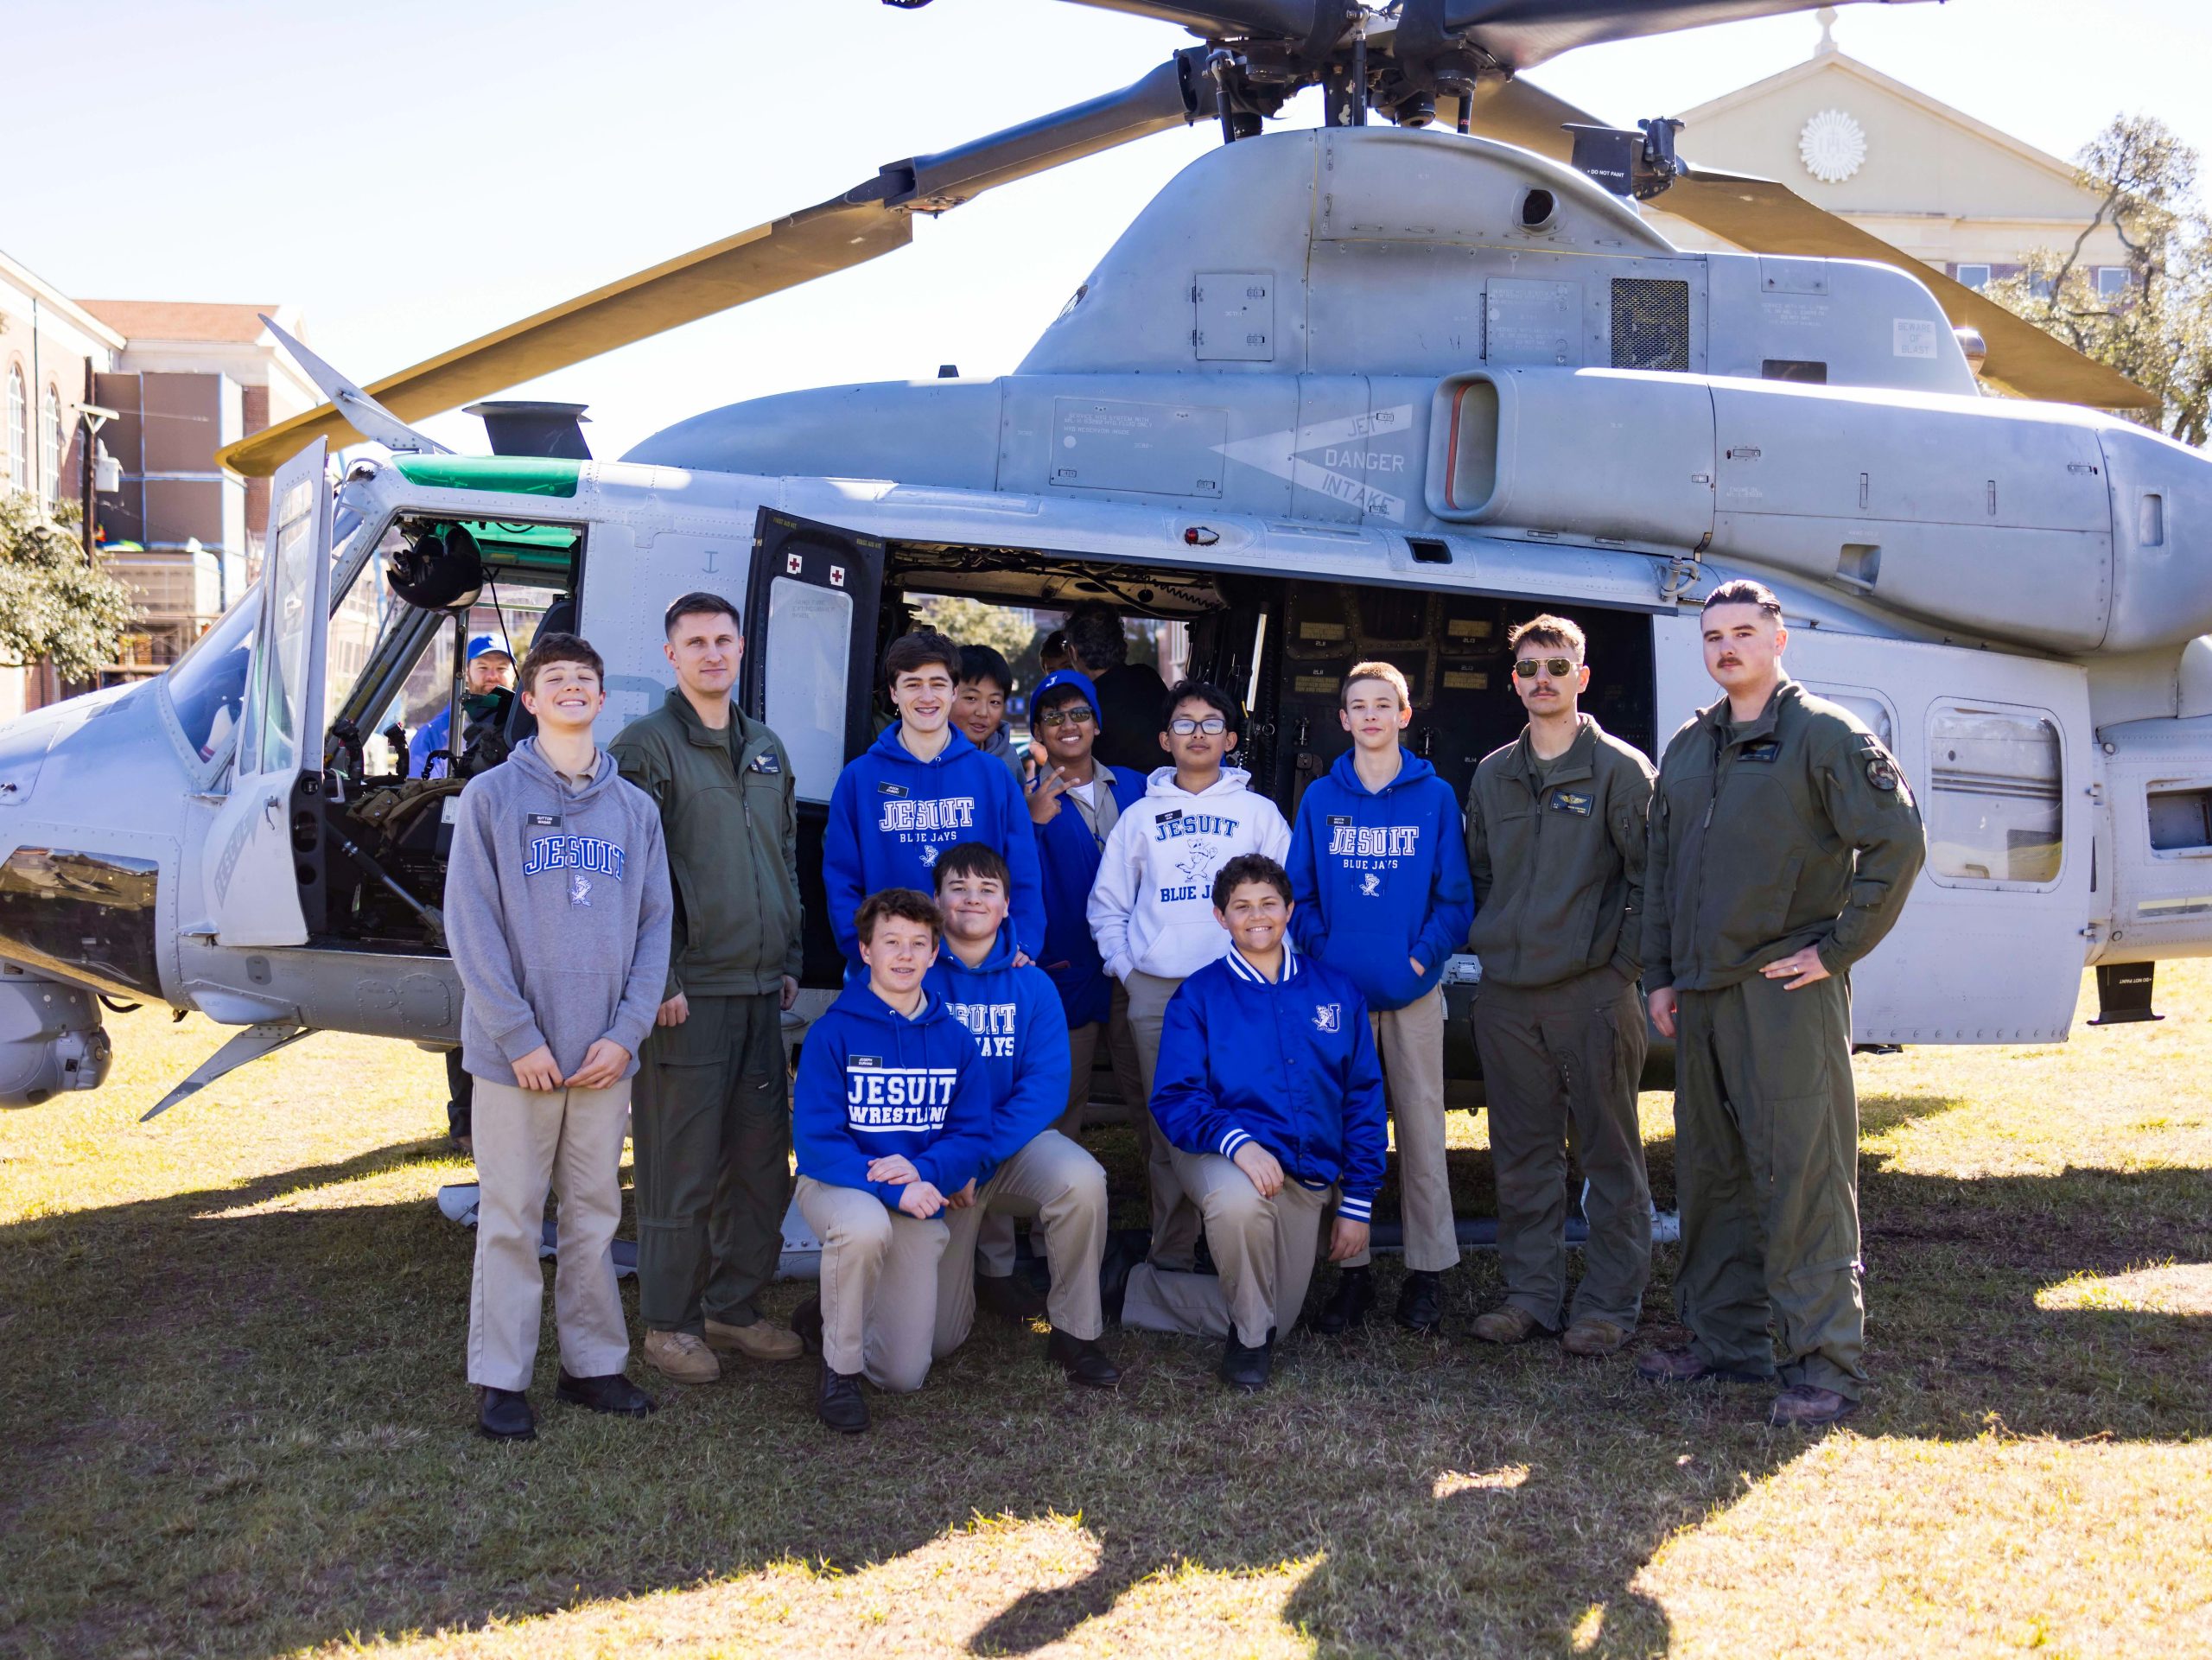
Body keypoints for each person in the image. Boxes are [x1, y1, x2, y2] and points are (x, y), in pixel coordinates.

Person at [1640, 579, 1926, 1428]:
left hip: (1783, 994)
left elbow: (1898, 841)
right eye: (1712, 636)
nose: (1726, 647)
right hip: (1701, 994)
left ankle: (1823, 1363)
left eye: (1743, 632)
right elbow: (1662, 868)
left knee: (1803, 1173)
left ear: (1778, 641)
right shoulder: (1690, 745)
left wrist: (1834, 949)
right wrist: (1660, 974)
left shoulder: (1824, 735)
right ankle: (1726, 1341)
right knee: (1711, 1173)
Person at [442, 632, 672, 1441]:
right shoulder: (491, 799)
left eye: (585, 679)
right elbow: (470, 925)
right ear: (531, 700)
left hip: (603, 1055)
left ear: (601, 700)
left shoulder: (635, 811)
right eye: (555, 679)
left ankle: (593, 1364)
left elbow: (655, 929)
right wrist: (518, 1036)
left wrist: (627, 1032)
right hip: (519, 1057)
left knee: (595, 1213)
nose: (572, 688)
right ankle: (502, 1378)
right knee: (511, 1215)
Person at [608, 591, 806, 1387]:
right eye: (695, 642)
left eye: (723, 639)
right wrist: (658, 975)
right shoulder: (645, 747)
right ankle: (669, 1322)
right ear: (671, 655)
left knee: (761, 1164)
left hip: (760, 988)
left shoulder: (765, 747)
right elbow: (629, 872)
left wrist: (789, 950)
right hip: (686, 995)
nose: (712, 653)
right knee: (678, 1168)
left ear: (741, 647)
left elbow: (783, 854)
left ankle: (733, 1306)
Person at [1461, 617, 1656, 1358]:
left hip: (1592, 995)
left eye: (1556, 666)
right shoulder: (1493, 774)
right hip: (1508, 998)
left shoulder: (1620, 770)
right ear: (1514, 681)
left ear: (1583, 676)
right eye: (1528, 668)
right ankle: (1531, 1296)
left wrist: (1619, 968)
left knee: (1609, 1156)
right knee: (1521, 1156)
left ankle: (1607, 1304)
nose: (1542, 679)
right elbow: (1482, 872)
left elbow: (1651, 878)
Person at [1120, 855, 1387, 1390]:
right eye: (1241, 907)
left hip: (1302, 1170)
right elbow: (1175, 1098)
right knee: (1241, 1217)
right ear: (1221, 917)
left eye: (1268, 904)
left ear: (1290, 910)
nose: (1257, 916)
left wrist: (1357, 1202)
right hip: (1218, 1155)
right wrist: (1238, 1144)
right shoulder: (1199, 995)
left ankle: (1133, 1289)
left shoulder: (1336, 992)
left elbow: (1362, 1100)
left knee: (1276, 1316)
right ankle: (1247, 1341)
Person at [1287, 661, 1474, 1336]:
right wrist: (1326, 954)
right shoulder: (1319, 798)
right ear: (1342, 719)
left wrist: (1422, 956)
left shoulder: (1436, 796)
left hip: (1412, 992)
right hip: (1339, 998)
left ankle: (1428, 1271)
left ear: (1404, 715)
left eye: (1382, 704)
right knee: (1341, 1128)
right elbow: (1299, 894)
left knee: (1423, 1130)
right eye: (1358, 705)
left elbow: (1456, 899)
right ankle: (1352, 1271)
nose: (1370, 715)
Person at [1087, 679, 1292, 1270]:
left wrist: (1271, 978)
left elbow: (1290, 900)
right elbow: (1107, 906)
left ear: (1231, 738)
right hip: (1160, 991)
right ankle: (1173, 1250)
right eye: (1184, 723)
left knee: (1247, 1111)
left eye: (1211, 724)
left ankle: (1242, 1245)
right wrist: (1130, 972)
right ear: (1164, 739)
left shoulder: (1259, 814)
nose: (1197, 734)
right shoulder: (1139, 817)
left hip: (1241, 990)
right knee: (1168, 1123)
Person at [790, 887, 994, 1433]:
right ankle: (839, 1372)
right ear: (866, 950)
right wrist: (891, 1187)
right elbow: (816, 1141)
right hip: (839, 1183)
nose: (904, 955)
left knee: (906, 1372)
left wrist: (926, 1171)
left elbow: (972, 1132)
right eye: (891, 942)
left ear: (934, 953)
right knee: (863, 1226)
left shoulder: (955, 1039)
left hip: (915, 1192)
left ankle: (831, 1307)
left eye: (918, 944)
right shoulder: (833, 1032)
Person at [925, 843, 1120, 1386]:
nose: (972, 899)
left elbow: (1045, 1090)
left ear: (1007, 905)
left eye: (987, 890)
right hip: (935, 1165)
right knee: (936, 1341)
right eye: (958, 888)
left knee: (1082, 1179)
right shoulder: (915, 975)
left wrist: (978, 1157)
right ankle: (838, 1307)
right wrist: (950, 1163)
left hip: (1002, 1152)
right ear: (936, 900)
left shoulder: (1032, 985)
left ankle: (1076, 1332)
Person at [825, 631, 1045, 974]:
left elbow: (1022, 869)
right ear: (894, 692)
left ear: (953, 691)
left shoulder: (993, 776)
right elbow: (841, 878)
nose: (926, 697)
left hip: (977, 966)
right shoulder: (859, 778)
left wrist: (1023, 941)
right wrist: (861, 947)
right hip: (889, 968)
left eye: (938, 684)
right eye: (913, 684)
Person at [1025, 669, 1147, 1134]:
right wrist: (1032, 822)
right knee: (1061, 1099)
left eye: (1079, 713)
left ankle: (1165, 1184)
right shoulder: (1023, 801)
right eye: (1053, 717)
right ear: (1038, 733)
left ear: (1097, 723)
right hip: (1064, 967)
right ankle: (1057, 1183)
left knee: (1149, 1093)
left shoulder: (1139, 788)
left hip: (1134, 961)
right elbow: (1007, 878)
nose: (1068, 725)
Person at [1065, 602, 1169, 778]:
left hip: (1116, 793)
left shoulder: (1084, 705)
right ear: (1122, 643)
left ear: (1073, 652)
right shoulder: (1148, 676)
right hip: (1169, 786)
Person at [410, 635, 515, 779]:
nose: (492, 676)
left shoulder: (531, 728)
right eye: (483, 667)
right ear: (466, 672)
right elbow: (422, 789)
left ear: (514, 673)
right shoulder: (432, 736)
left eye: (501, 668)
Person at [952, 643, 1027, 785]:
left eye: (994, 702)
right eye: (971, 698)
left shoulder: (1008, 758)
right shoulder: (925, 755)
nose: (983, 713)